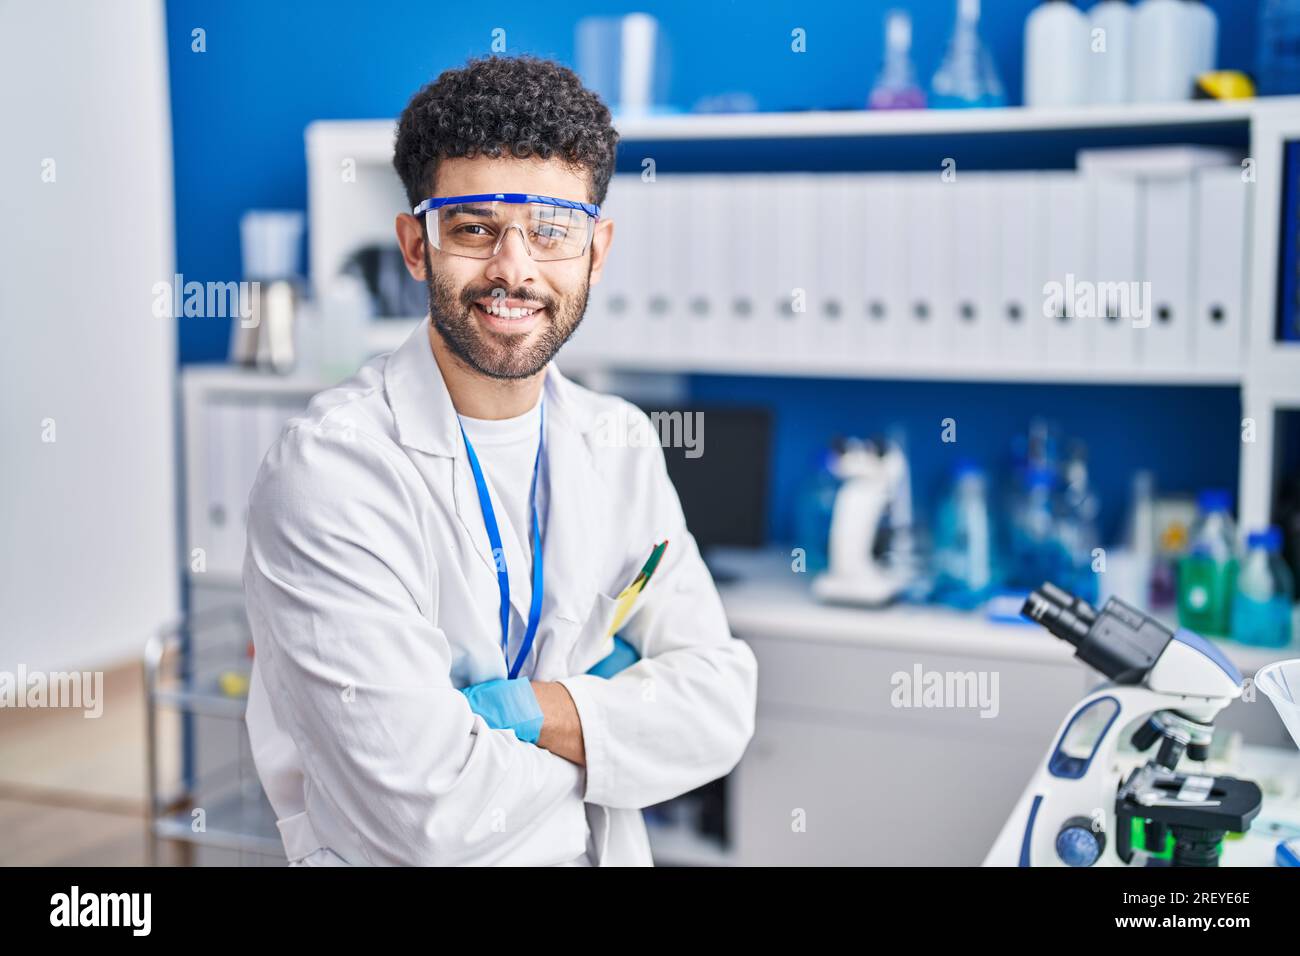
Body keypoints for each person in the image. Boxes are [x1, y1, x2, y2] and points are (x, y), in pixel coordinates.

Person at [243, 55, 758, 866]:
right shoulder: (330, 473)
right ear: (416, 245)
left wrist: (534, 712)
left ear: (596, 250)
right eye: (474, 228)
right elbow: (432, 820)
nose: (515, 268)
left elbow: (722, 707)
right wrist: (610, 724)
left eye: (553, 231)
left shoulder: (618, 440)